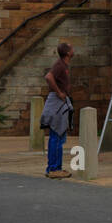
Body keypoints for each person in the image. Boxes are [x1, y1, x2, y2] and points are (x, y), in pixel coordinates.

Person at [40, 41, 74, 179]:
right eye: (72, 48)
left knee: (59, 136)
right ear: (67, 53)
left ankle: (56, 168)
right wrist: (59, 93)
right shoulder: (60, 65)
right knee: (56, 136)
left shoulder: (63, 65)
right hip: (56, 102)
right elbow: (48, 77)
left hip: (60, 103)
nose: (73, 49)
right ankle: (53, 168)